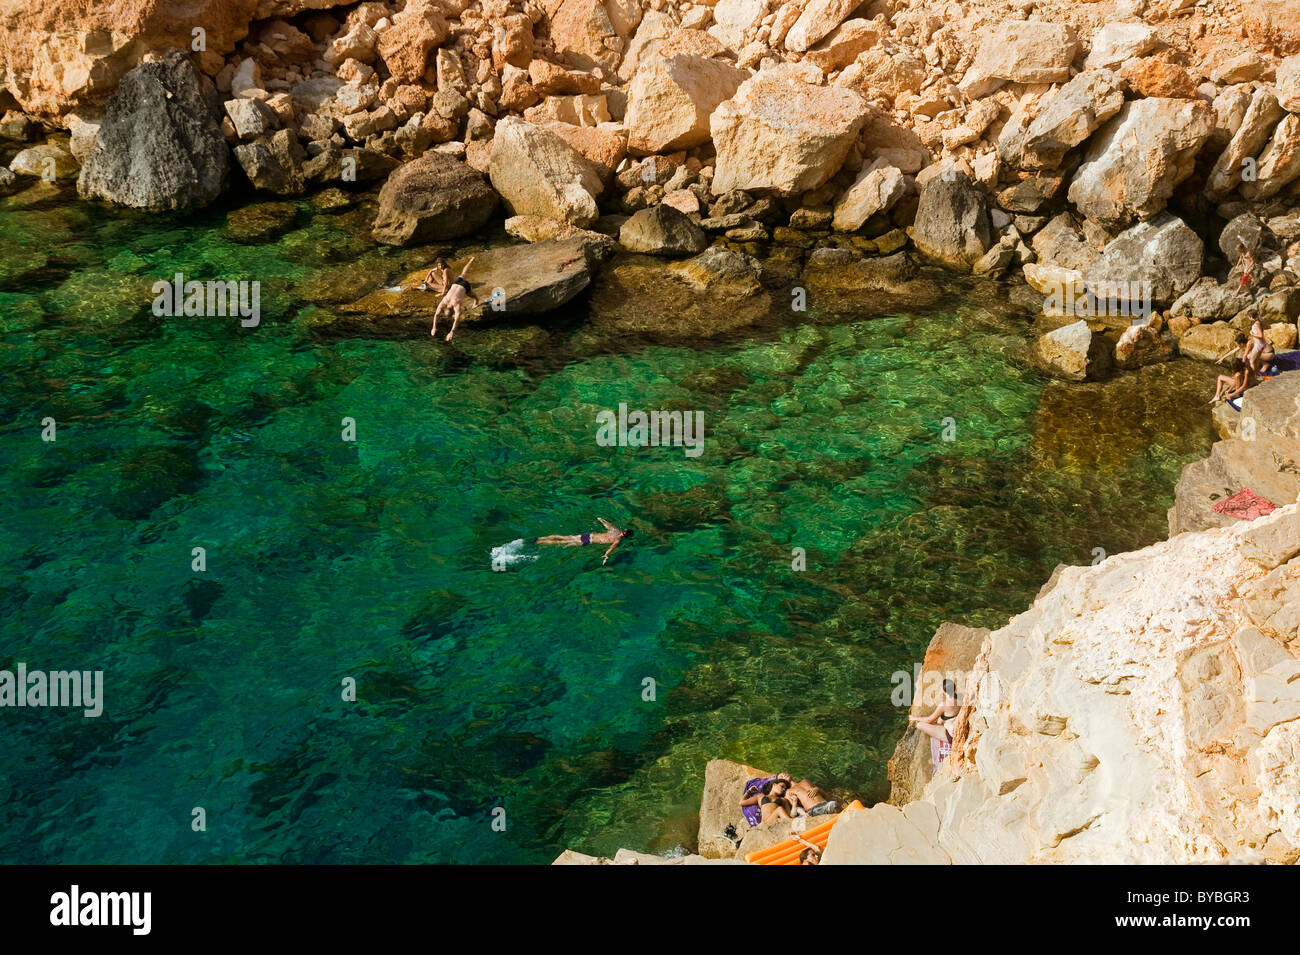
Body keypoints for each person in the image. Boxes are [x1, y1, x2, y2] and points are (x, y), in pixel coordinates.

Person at [537, 518, 634, 565]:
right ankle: (539, 542)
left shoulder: (615, 530)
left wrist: (601, 519)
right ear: (626, 536)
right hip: (588, 540)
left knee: (565, 537)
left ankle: (540, 538)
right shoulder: (617, 540)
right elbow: (611, 548)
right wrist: (606, 556)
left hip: (588, 535)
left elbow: (608, 525)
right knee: (562, 543)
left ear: (623, 531)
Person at [430, 256, 476, 341]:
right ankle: (471, 260)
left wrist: (452, 332)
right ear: (445, 308)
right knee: (463, 273)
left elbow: (456, 320)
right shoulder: (444, 300)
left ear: (452, 311)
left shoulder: (456, 304)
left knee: (472, 295)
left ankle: (476, 300)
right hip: (456, 283)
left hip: (464, 286)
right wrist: (434, 327)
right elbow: (436, 314)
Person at [909, 678, 962, 746]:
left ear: (943, 690)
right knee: (939, 719)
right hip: (957, 729)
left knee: (919, 725)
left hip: (951, 735)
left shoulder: (944, 705)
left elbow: (929, 720)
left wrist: (914, 718)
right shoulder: (960, 700)